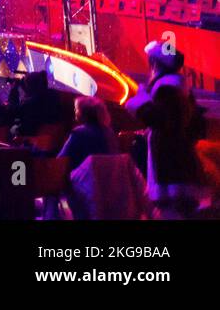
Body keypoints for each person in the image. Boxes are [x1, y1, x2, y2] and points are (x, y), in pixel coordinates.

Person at [128, 40, 208, 217]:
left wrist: (140, 103)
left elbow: (161, 120)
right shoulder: (178, 86)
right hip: (179, 153)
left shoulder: (166, 88)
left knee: (172, 208)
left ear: (156, 63)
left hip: (169, 156)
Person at [58, 96, 117, 171]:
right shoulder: (110, 133)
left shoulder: (79, 133)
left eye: (76, 109)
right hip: (107, 179)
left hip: (83, 180)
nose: (75, 111)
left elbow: (61, 160)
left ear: (83, 113)